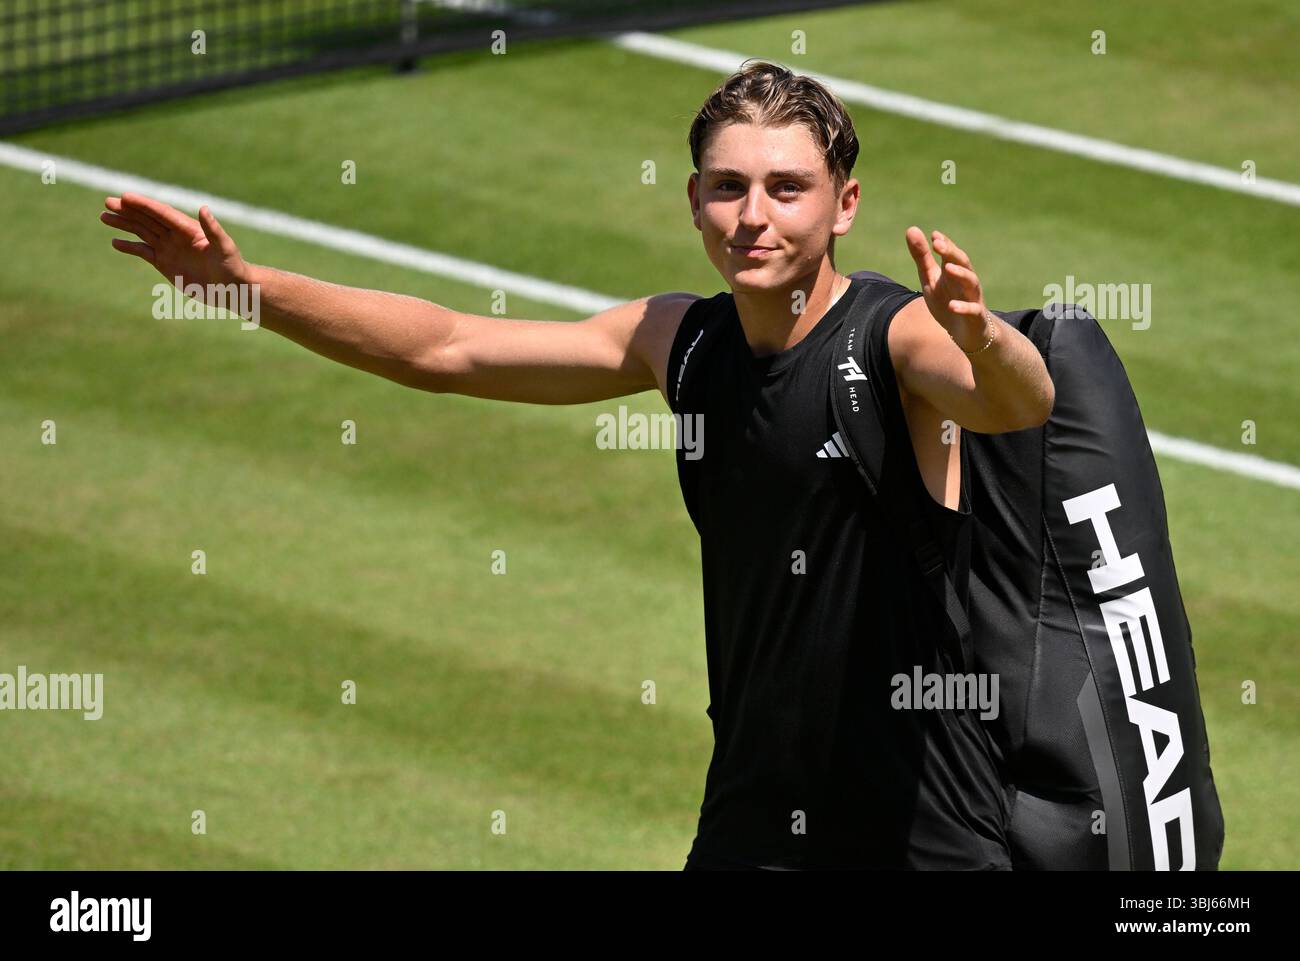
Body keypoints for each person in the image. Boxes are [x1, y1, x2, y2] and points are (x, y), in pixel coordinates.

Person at [100, 59, 1053, 870]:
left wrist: (980, 337)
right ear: (693, 200)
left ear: (845, 205)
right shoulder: (679, 342)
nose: (752, 216)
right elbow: (445, 349)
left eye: (787, 188)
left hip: (918, 834)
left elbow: (1019, 403)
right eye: (728, 187)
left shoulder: (896, 337)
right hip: (752, 820)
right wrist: (246, 287)